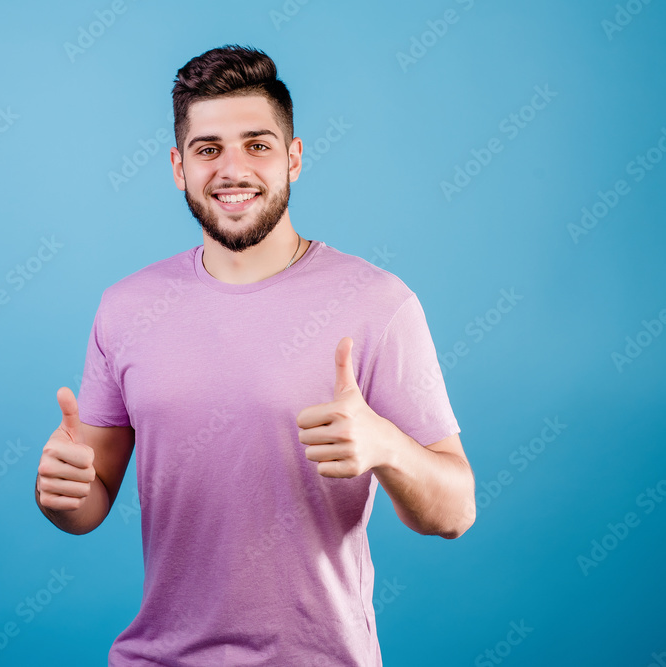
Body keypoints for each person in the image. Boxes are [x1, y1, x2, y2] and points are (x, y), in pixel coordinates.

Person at [35, 44, 476, 666]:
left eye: (258, 145)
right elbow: (94, 494)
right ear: (177, 166)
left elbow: (455, 511)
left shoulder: (379, 304)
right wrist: (61, 491)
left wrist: (386, 445)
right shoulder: (127, 306)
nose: (232, 168)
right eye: (208, 149)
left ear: (294, 159)